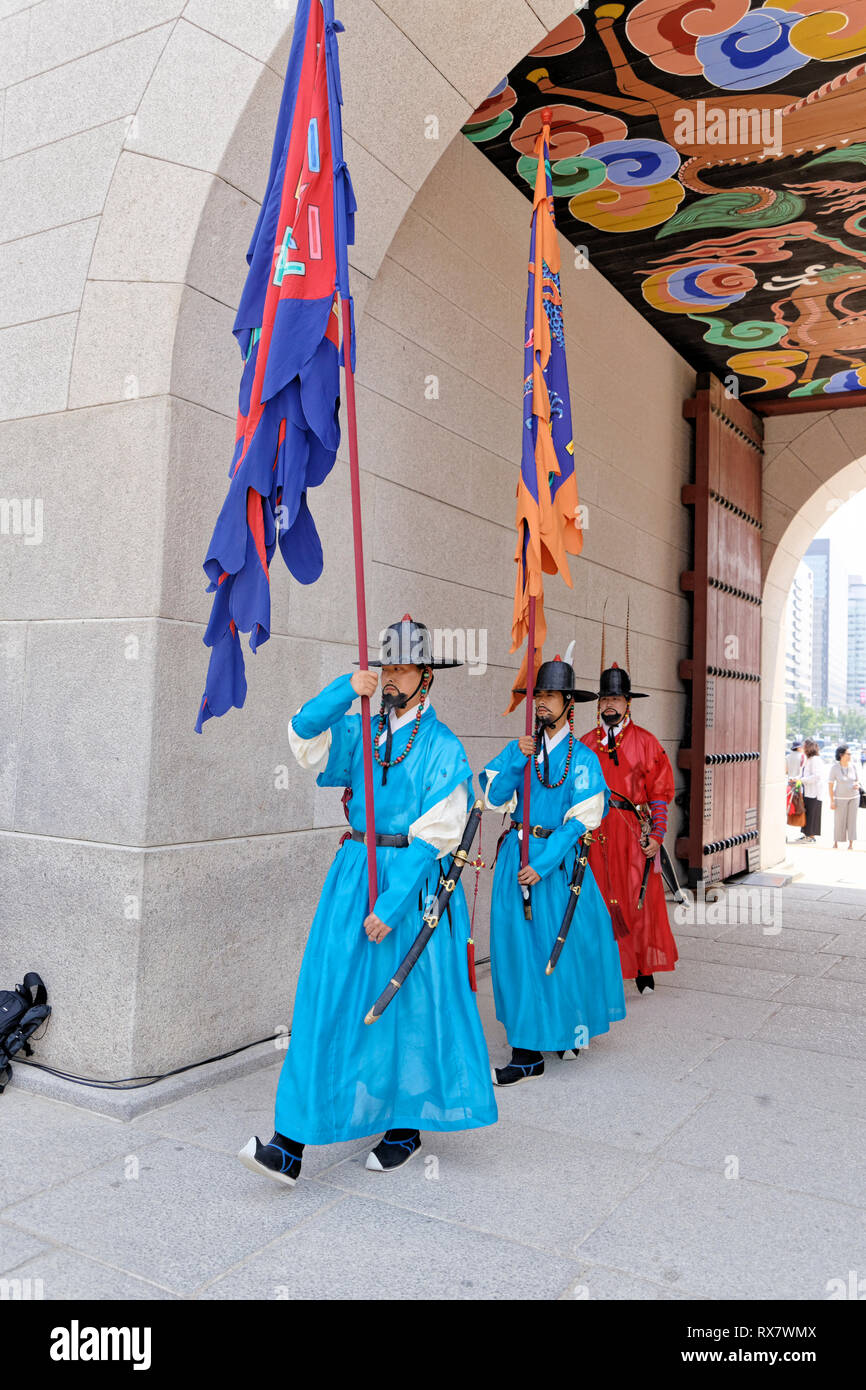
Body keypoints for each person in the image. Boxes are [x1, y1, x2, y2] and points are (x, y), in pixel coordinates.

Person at [238, 616, 497, 1185]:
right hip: (353, 873)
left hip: (412, 882)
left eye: (403, 668)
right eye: (387, 668)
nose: (393, 679)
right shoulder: (363, 728)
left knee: (407, 1005)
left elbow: (439, 834)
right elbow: (304, 734)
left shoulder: (442, 746)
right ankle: (290, 1143)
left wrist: (394, 903)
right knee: (324, 999)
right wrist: (343, 689)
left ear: (427, 676)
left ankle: (404, 1125)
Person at [479, 649, 625, 1087]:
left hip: (556, 866)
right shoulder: (519, 749)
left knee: (562, 951)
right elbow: (492, 798)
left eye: (551, 695)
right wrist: (513, 761)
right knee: (515, 953)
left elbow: (580, 822)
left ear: (568, 703)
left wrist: (542, 865)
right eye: (537, 694)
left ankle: (565, 1028)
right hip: (514, 860)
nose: (541, 702)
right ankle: (525, 1051)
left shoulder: (582, 759)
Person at [580, 653, 678, 996]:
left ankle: (641, 968)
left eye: (617, 699)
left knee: (639, 900)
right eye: (605, 698)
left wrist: (658, 834)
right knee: (599, 899)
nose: (610, 705)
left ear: (627, 703)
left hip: (634, 832)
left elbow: (660, 794)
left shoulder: (647, 743)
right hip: (595, 832)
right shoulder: (586, 745)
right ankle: (602, 967)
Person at [828, 744, 861, 850]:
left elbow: (857, 780)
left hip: (854, 798)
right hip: (840, 798)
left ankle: (851, 844)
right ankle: (836, 843)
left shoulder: (853, 766)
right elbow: (830, 785)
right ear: (841, 755)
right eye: (848, 754)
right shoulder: (834, 768)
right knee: (839, 821)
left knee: (852, 821)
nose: (850, 756)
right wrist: (832, 801)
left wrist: (857, 784)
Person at [800, 739, 825, 843]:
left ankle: (811, 836)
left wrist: (801, 780)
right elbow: (804, 774)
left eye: (804, 746)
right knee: (806, 813)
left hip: (814, 792)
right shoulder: (808, 759)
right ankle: (806, 834)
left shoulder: (815, 759)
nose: (803, 747)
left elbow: (816, 776)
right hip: (807, 791)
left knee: (812, 814)